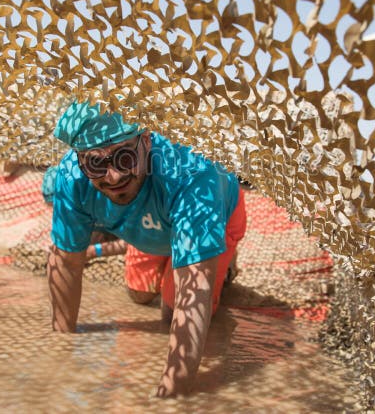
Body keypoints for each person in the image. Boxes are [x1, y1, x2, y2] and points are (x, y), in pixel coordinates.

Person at [42, 100, 247, 397]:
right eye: (96, 163)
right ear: (80, 160)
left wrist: (171, 399)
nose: (113, 176)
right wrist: (61, 352)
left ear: (147, 140)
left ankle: (220, 263)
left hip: (213, 213)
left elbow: (192, 299)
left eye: (124, 158)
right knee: (139, 295)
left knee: (171, 312)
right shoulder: (72, 177)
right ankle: (169, 257)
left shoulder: (191, 175)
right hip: (150, 225)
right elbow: (66, 264)